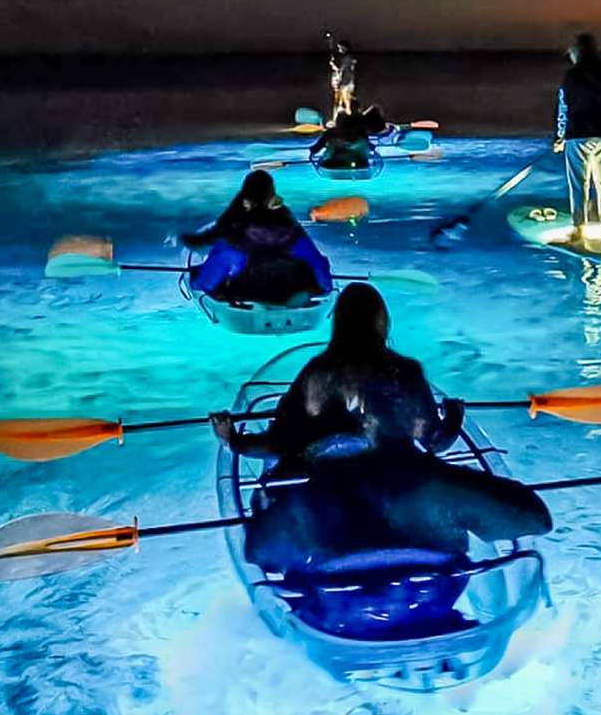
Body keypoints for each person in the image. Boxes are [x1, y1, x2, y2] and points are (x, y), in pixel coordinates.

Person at [239, 417, 553, 639]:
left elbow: (258, 553)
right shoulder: (435, 482)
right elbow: (537, 520)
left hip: (344, 616)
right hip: (431, 601)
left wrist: (268, 505)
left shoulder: (300, 501)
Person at [215, 283, 461, 464]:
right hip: (397, 485)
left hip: (334, 489)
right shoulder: (406, 371)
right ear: (382, 321)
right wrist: (454, 415)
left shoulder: (318, 372)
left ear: (339, 322)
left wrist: (234, 440)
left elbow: (281, 440)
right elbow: (434, 442)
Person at [179, 171, 334, 306]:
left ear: (245, 199)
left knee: (223, 266)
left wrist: (196, 281)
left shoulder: (234, 237)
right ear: (272, 195)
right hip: (291, 291)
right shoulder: (293, 233)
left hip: (250, 294)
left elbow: (208, 280)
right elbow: (317, 264)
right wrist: (325, 288)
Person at [551, 32, 601, 243]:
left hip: (577, 134)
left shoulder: (571, 76)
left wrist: (559, 137)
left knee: (578, 182)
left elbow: (563, 110)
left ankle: (579, 227)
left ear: (577, 52)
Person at [309, 104, 388, 170]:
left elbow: (317, 147)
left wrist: (313, 150)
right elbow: (317, 146)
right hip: (347, 162)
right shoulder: (332, 133)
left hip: (340, 163)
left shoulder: (331, 133)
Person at [326, 33, 358, 122]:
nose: (339, 50)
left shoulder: (348, 59)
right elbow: (342, 71)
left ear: (345, 48)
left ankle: (348, 121)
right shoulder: (346, 59)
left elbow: (345, 72)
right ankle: (336, 120)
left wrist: (340, 82)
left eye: (340, 48)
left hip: (345, 85)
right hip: (343, 84)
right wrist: (334, 66)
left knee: (346, 104)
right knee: (338, 103)